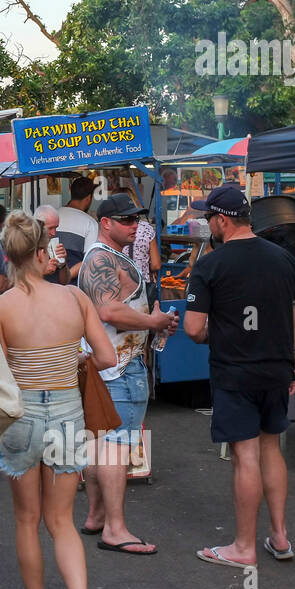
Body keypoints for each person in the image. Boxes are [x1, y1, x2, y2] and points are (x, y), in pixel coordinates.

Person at [0, 212, 115, 589]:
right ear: (42, 253)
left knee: (27, 520)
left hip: (20, 415)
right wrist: (73, 358)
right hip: (67, 410)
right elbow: (107, 357)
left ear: (8, 255)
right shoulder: (75, 299)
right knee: (61, 520)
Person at [185, 184, 295, 564]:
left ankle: (243, 547)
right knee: (271, 448)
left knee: (245, 454)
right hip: (276, 369)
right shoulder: (284, 259)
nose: (209, 226)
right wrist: (292, 362)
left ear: (222, 219)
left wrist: (212, 333)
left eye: (209, 219)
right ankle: (280, 536)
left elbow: (193, 328)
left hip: (235, 372)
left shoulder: (210, 264)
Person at [77, 193, 176, 556]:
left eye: (137, 220)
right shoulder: (101, 257)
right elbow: (109, 310)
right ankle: (115, 529)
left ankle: (96, 516)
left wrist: (155, 322)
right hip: (118, 365)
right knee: (115, 447)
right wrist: (153, 321)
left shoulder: (106, 256)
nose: (135, 227)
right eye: (126, 221)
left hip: (109, 363)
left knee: (99, 443)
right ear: (106, 223)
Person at [57, 176, 100, 279]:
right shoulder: (91, 223)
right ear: (89, 198)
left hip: (47, 283)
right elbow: (89, 259)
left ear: (70, 192)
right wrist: (65, 278)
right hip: (72, 286)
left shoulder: (52, 216)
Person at [34, 204, 71, 285]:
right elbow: (16, 280)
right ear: (37, 225)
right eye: (50, 228)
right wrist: (42, 271)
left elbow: (65, 282)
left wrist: (62, 264)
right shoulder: (26, 246)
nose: (54, 233)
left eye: (56, 227)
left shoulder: (51, 244)